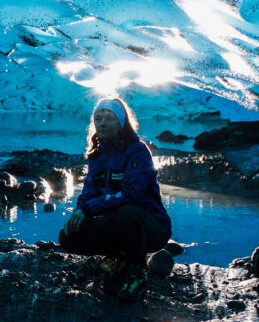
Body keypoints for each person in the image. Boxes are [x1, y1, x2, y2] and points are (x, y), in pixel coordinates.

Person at [58, 96, 173, 301]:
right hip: (116, 224)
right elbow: (88, 192)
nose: (102, 122)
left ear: (121, 122)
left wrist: (90, 209)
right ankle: (120, 256)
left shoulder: (138, 151)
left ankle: (137, 272)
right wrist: (79, 212)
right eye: (98, 118)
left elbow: (132, 194)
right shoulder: (97, 155)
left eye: (109, 118)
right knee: (68, 236)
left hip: (149, 227)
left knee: (126, 212)